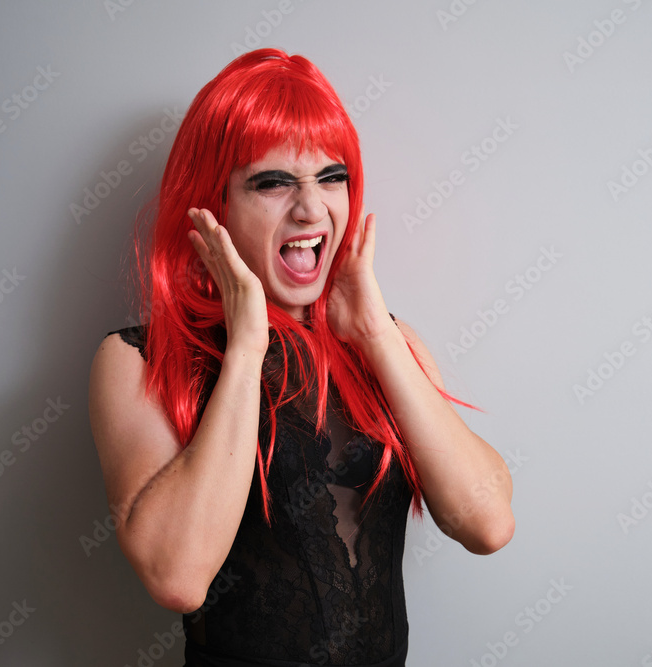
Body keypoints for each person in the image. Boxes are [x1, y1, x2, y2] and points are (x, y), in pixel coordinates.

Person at [88, 48, 514, 667]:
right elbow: (176, 577)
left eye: (331, 177)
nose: (312, 209)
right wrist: (246, 349)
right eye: (273, 182)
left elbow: (488, 524)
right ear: (213, 204)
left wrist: (375, 334)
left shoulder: (387, 342)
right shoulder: (138, 359)